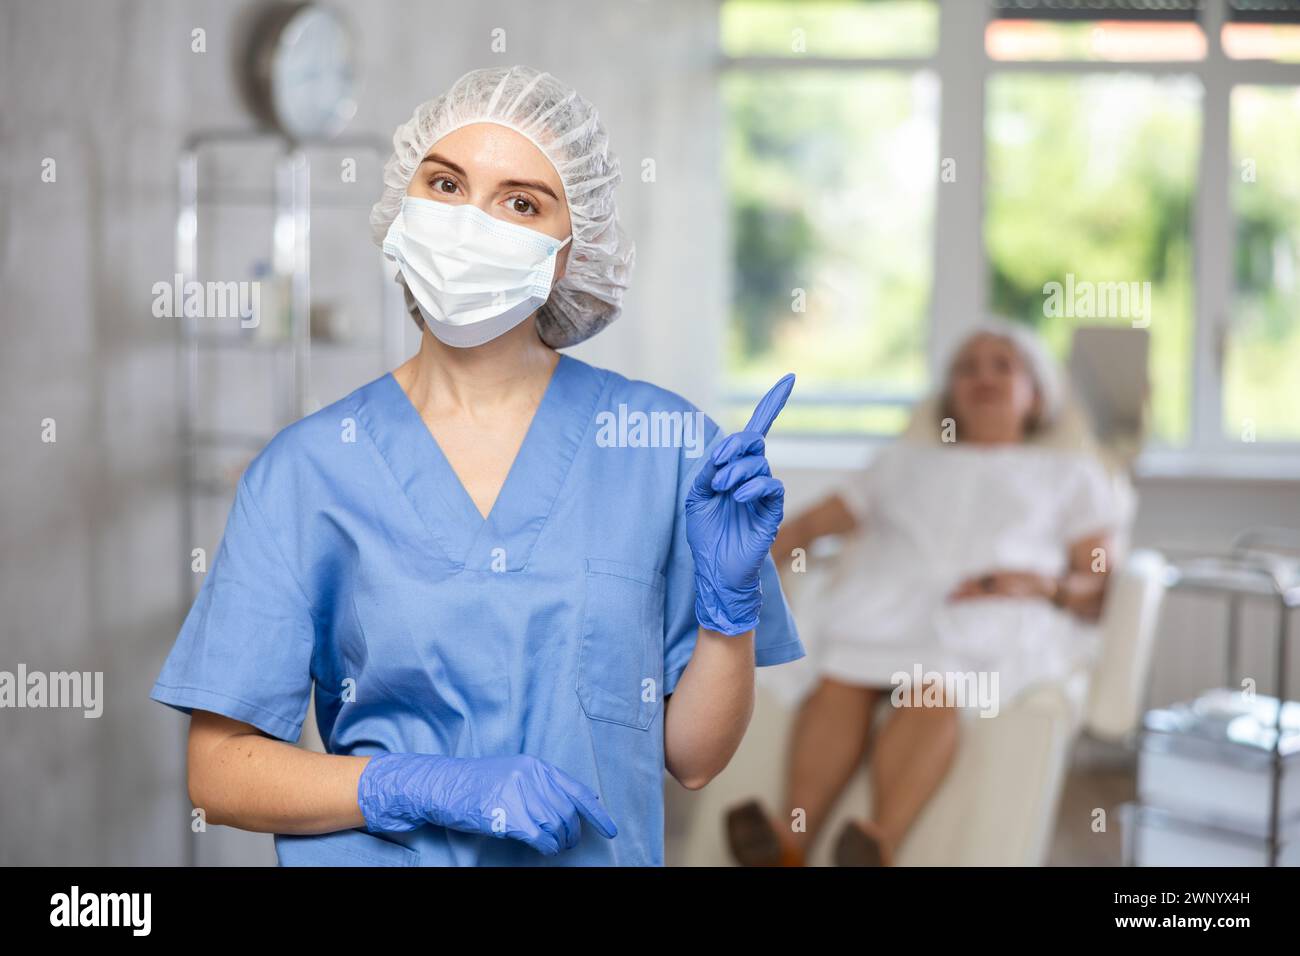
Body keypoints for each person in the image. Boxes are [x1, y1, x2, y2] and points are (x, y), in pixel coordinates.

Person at [150, 65, 804, 867]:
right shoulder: (307, 471)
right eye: (446, 184)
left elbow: (695, 759)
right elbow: (219, 773)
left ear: (570, 252)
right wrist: (412, 785)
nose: (471, 222)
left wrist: (728, 611)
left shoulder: (661, 446)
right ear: (401, 209)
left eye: (521, 201)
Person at [726, 320, 1118, 866]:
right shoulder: (903, 462)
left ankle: (876, 842)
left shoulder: (1070, 474)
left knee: (933, 687)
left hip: (991, 611)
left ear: (1038, 394)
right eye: (966, 368)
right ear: (948, 394)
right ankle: (789, 844)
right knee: (839, 677)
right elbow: (807, 528)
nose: (982, 376)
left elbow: (1097, 583)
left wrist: (1043, 585)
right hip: (885, 604)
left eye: (1002, 365)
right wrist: (735, 562)